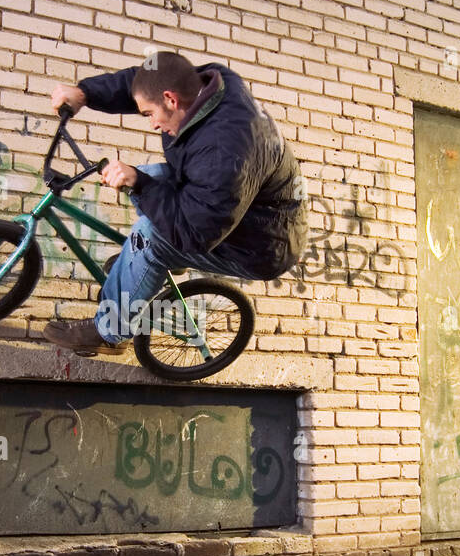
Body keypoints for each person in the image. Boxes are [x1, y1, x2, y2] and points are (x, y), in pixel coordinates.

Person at [43, 51, 307, 355]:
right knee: (150, 176)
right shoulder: (209, 83)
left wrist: (139, 184)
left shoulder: (222, 152)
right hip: (242, 204)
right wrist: (85, 92)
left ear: (171, 100)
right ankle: (143, 269)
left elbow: (192, 232)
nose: (153, 124)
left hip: (260, 243)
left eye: (149, 115)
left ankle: (109, 333)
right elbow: (143, 83)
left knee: (150, 237)